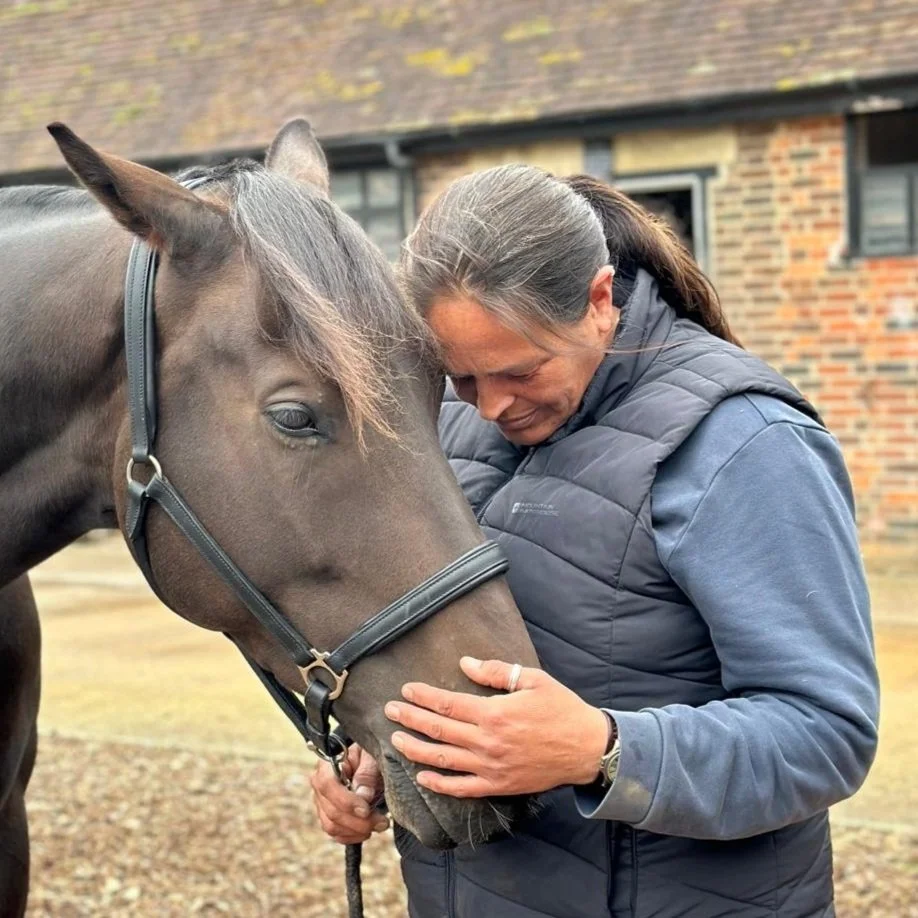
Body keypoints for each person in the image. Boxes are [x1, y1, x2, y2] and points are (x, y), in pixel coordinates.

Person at [310, 167, 879, 917]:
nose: (490, 407)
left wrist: (603, 751)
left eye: (520, 370)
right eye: (462, 378)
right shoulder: (456, 421)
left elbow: (826, 733)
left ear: (600, 300)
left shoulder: (743, 445)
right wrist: (382, 760)